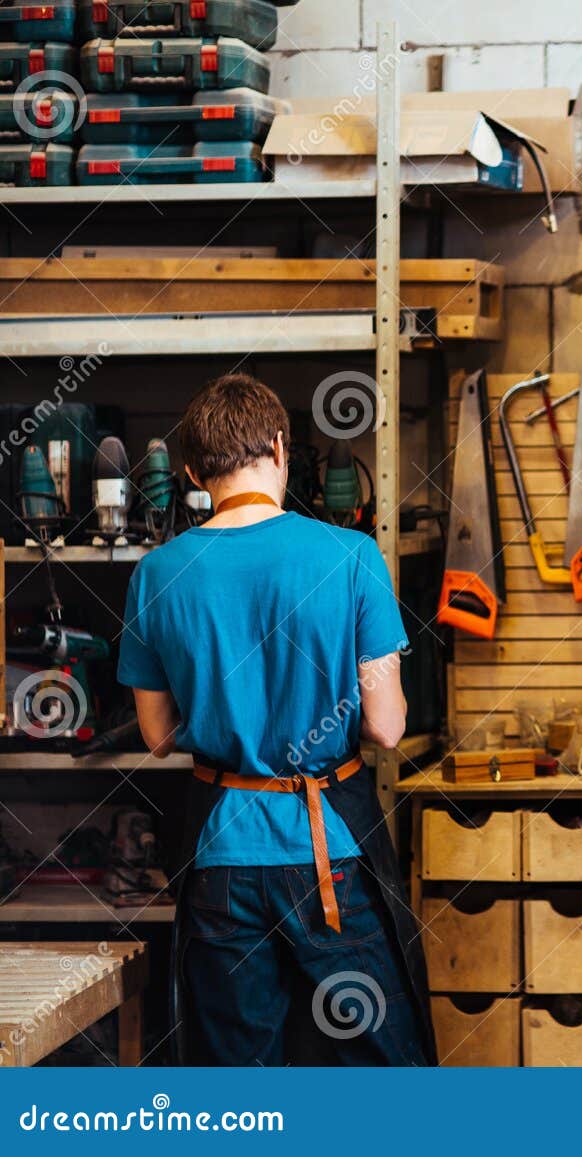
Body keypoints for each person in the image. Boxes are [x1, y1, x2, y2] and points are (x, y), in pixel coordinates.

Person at [118, 373, 434, 1065]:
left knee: (236, 1078)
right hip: (331, 859)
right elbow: (385, 725)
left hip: (219, 859)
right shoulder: (350, 556)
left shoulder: (157, 572)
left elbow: (156, 734)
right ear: (282, 448)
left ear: (196, 472)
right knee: (381, 1064)